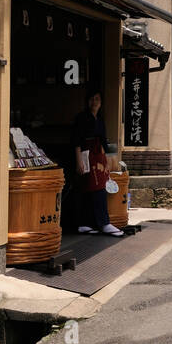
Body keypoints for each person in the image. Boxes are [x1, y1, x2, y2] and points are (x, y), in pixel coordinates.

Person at [73, 91, 124, 236]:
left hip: (98, 155)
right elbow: (76, 141)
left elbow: (103, 140)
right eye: (92, 99)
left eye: (97, 99)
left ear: (101, 102)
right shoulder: (81, 118)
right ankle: (100, 223)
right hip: (85, 154)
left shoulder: (100, 119)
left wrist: (107, 160)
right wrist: (79, 161)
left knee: (99, 186)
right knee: (92, 187)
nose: (94, 102)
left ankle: (90, 223)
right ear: (87, 101)